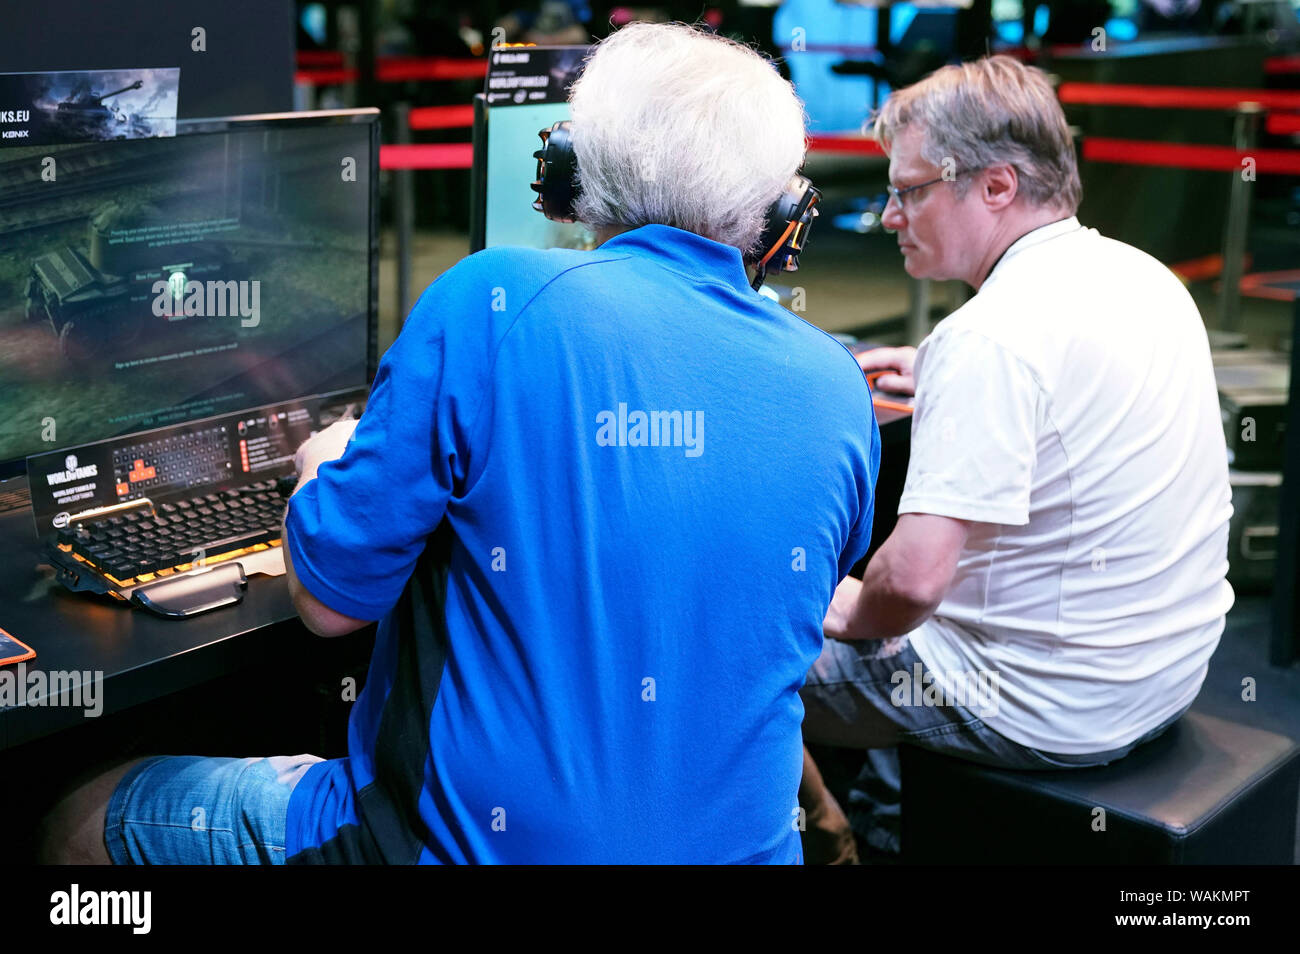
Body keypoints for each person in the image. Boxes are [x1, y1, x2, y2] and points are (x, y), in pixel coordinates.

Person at [40, 21, 880, 865]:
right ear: (780, 214)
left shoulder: (496, 298)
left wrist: (322, 468)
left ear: (573, 176)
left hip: (457, 849)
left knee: (80, 815)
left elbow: (332, 606)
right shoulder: (836, 383)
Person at [800, 55, 1233, 858]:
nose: (890, 215)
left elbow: (910, 586)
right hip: (1163, 674)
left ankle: (833, 845)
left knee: (729, 646)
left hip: (1038, 707)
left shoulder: (990, 340)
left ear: (996, 186)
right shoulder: (1139, 276)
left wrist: (826, 604)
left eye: (910, 191)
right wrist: (938, 367)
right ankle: (890, 805)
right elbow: (1070, 387)